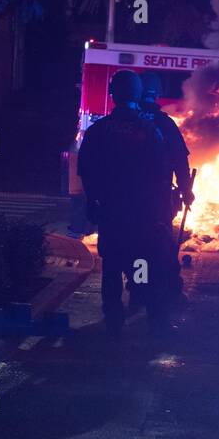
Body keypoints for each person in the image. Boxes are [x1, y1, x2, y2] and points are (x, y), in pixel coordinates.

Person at [78, 70, 174, 339]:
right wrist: (161, 212)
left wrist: (93, 201)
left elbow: (86, 170)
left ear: (114, 95)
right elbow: (161, 174)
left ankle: (113, 323)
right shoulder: (150, 130)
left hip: (112, 214)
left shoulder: (98, 131)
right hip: (144, 216)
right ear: (138, 94)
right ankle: (156, 324)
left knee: (111, 268)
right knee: (148, 266)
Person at [138, 72, 193, 308]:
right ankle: (167, 292)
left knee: (136, 249)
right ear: (157, 94)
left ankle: (138, 290)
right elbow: (180, 161)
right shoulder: (164, 124)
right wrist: (186, 190)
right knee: (163, 248)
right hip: (158, 201)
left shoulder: (117, 123)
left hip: (125, 202)